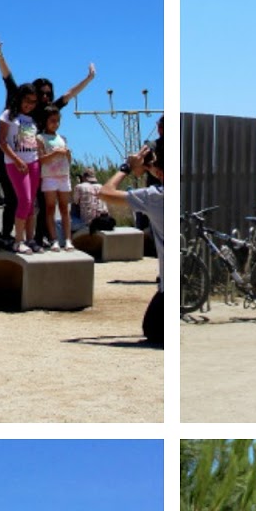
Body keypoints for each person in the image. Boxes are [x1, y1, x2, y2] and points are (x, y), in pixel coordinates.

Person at [0, 35, 95, 239]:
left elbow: (69, 94)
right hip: (8, 158)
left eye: (49, 93)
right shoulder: (17, 103)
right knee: (13, 199)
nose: (46, 96)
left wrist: (88, 79)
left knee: (37, 198)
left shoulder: (46, 111)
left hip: (31, 160)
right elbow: (7, 77)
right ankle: (7, 236)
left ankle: (38, 238)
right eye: (42, 93)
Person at [98, 118, 164, 347]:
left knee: (152, 329)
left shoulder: (156, 196)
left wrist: (126, 167)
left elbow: (106, 192)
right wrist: (149, 167)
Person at [0, 84, 42, 252]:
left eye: (33, 102)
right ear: (20, 98)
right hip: (15, 163)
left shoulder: (32, 118)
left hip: (33, 161)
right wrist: (17, 160)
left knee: (32, 203)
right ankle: (18, 240)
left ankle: (30, 239)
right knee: (24, 200)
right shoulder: (8, 115)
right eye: (27, 100)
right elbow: (2, 141)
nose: (29, 105)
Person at [36, 106, 74, 251]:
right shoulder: (40, 138)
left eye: (57, 121)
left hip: (63, 175)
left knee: (64, 208)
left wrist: (67, 154)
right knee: (50, 208)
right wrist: (55, 153)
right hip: (49, 176)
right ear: (46, 121)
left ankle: (68, 239)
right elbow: (41, 159)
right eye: (52, 121)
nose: (55, 124)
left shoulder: (62, 138)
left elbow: (68, 160)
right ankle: (54, 239)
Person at [73, 168, 112, 233]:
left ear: (84, 177)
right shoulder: (101, 187)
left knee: (60, 222)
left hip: (87, 222)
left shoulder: (79, 186)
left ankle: (67, 239)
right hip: (103, 221)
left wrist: (79, 183)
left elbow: (75, 201)